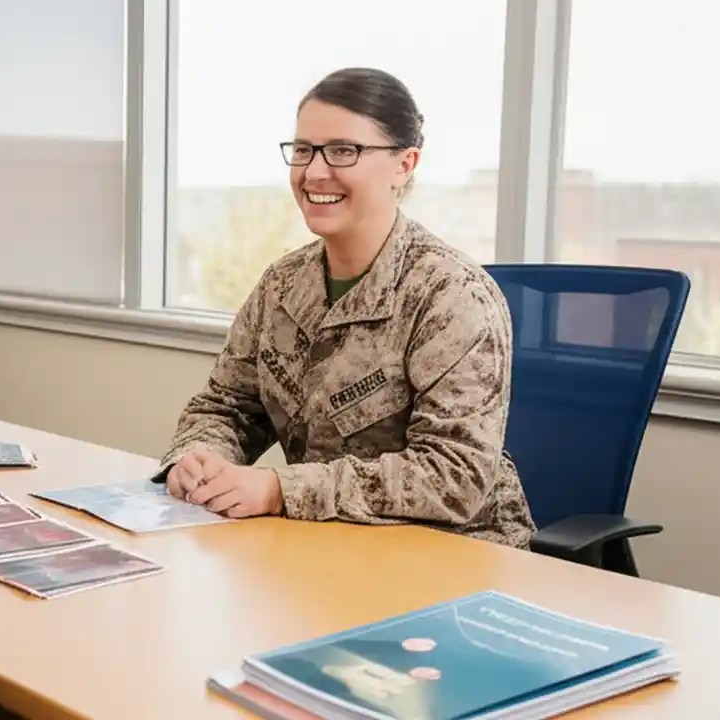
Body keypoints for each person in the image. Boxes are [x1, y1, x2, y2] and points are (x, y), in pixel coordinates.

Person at [157, 67, 536, 549]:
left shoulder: (452, 295)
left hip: (456, 554)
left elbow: (453, 476)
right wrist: (197, 460)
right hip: (328, 545)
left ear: (405, 164)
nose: (314, 172)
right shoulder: (282, 285)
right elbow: (225, 406)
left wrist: (281, 489)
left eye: (343, 151)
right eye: (303, 150)